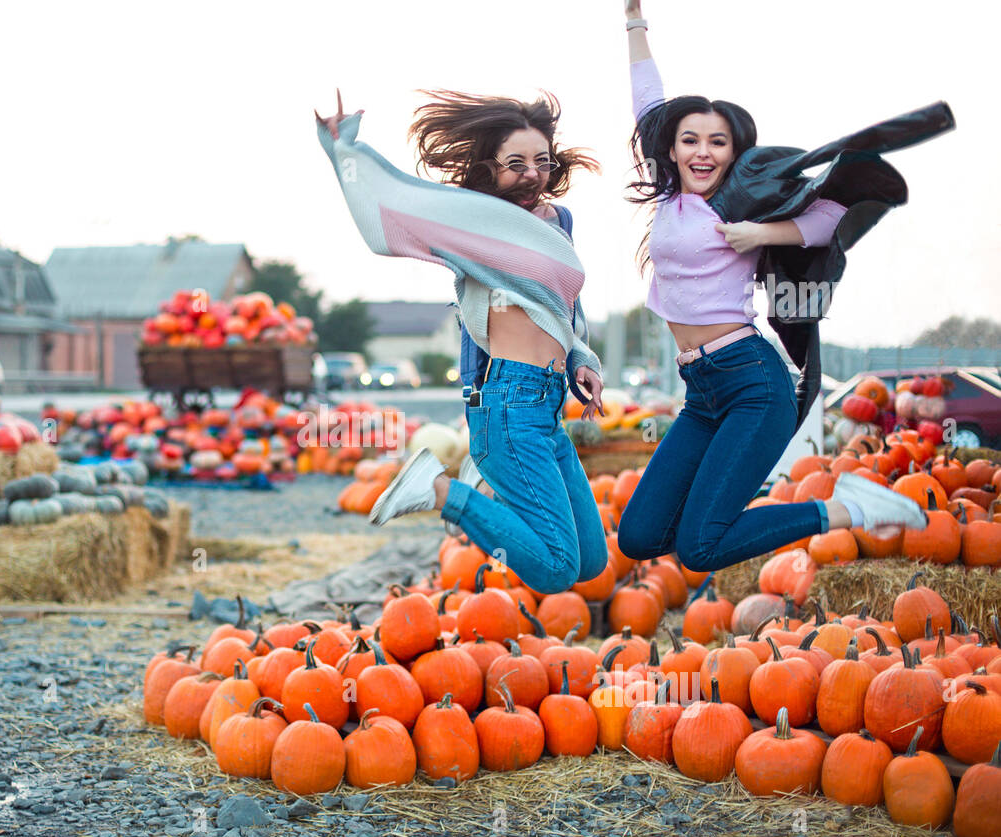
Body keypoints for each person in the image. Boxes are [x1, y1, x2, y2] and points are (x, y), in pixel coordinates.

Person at [615, 0, 928, 573]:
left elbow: (831, 218)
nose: (702, 152)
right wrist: (634, 19)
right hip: (701, 391)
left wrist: (761, 231)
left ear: (735, 152)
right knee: (638, 535)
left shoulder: (746, 204)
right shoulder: (668, 198)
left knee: (699, 548)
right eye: (690, 140)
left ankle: (838, 510)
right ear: (673, 148)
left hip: (753, 386)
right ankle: (724, 513)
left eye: (717, 142)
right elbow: (648, 104)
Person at [314, 89, 610, 594]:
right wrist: (342, 149)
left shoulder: (558, 223)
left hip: (547, 406)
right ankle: (438, 490)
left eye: (542, 160)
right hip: (508, 407)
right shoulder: (472, 223)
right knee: (558, 569)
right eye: (515, 163)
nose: (532, 173)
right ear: (489, 168)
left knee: (592, 562)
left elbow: (565, 305)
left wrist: (583, 357)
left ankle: (468, 485)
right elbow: (392, 210)